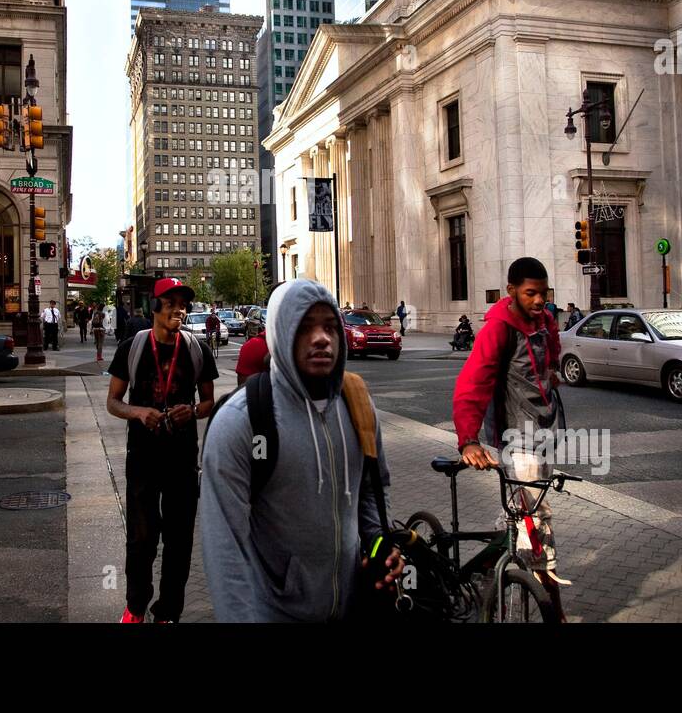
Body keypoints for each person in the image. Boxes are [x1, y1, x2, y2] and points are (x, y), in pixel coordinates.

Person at [200, 279, 403, 622]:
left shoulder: (358, 404)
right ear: (281, 332)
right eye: (305, 327)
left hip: (354, 607)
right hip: (274, 612)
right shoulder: (241, 422)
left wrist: (379, 541)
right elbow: (224, 548)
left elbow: (371, 489)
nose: (321, 337)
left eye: (329, 326)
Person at [452, 256, 569, 621]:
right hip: (517, 438)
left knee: (518, 514)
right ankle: (552, 606)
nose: (538, 301)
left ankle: (491, 573)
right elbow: (473, 384)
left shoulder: (545, 320)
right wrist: (468, 440)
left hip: (546, 431)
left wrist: (551, 372)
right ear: (512, 291)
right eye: (530, 293)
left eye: (543, 293)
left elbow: (551, 352)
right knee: (536, 521)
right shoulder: (498, 328)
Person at [107, 277, 218, 623]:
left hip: (183, 458)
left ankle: (169, 611)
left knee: (179, 539)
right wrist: (138, 412)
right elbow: (113, 401)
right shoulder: (132, 348)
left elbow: (209, 401)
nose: (178, 310)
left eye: (183, 304)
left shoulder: (196, 348)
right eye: (170, 303)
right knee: (141, 536)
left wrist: (194, 410)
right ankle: (136, 606)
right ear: (154, 307)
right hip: (142, 456)